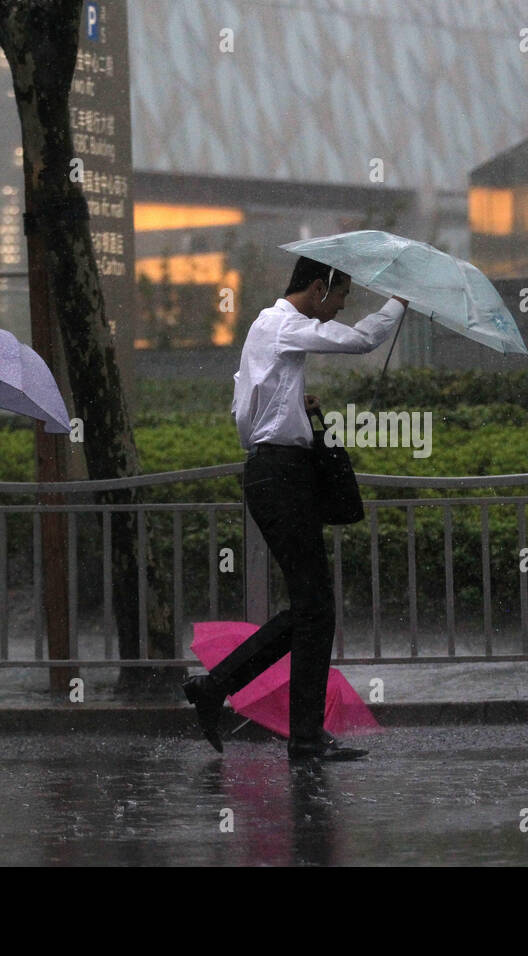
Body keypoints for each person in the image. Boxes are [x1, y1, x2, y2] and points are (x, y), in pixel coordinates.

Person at [181, 256, 408, 761]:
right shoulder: (282, 324)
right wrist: (400, 302)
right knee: (315, 607)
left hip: (275, 473)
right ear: (318, 287)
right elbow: (361, 340)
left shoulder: (270, 332)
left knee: (312, 607)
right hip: (279, 477)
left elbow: (244, 415)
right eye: (343, 293)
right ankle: (294, 731)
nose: (345, 303)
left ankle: (226, 691)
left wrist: (296, 411)